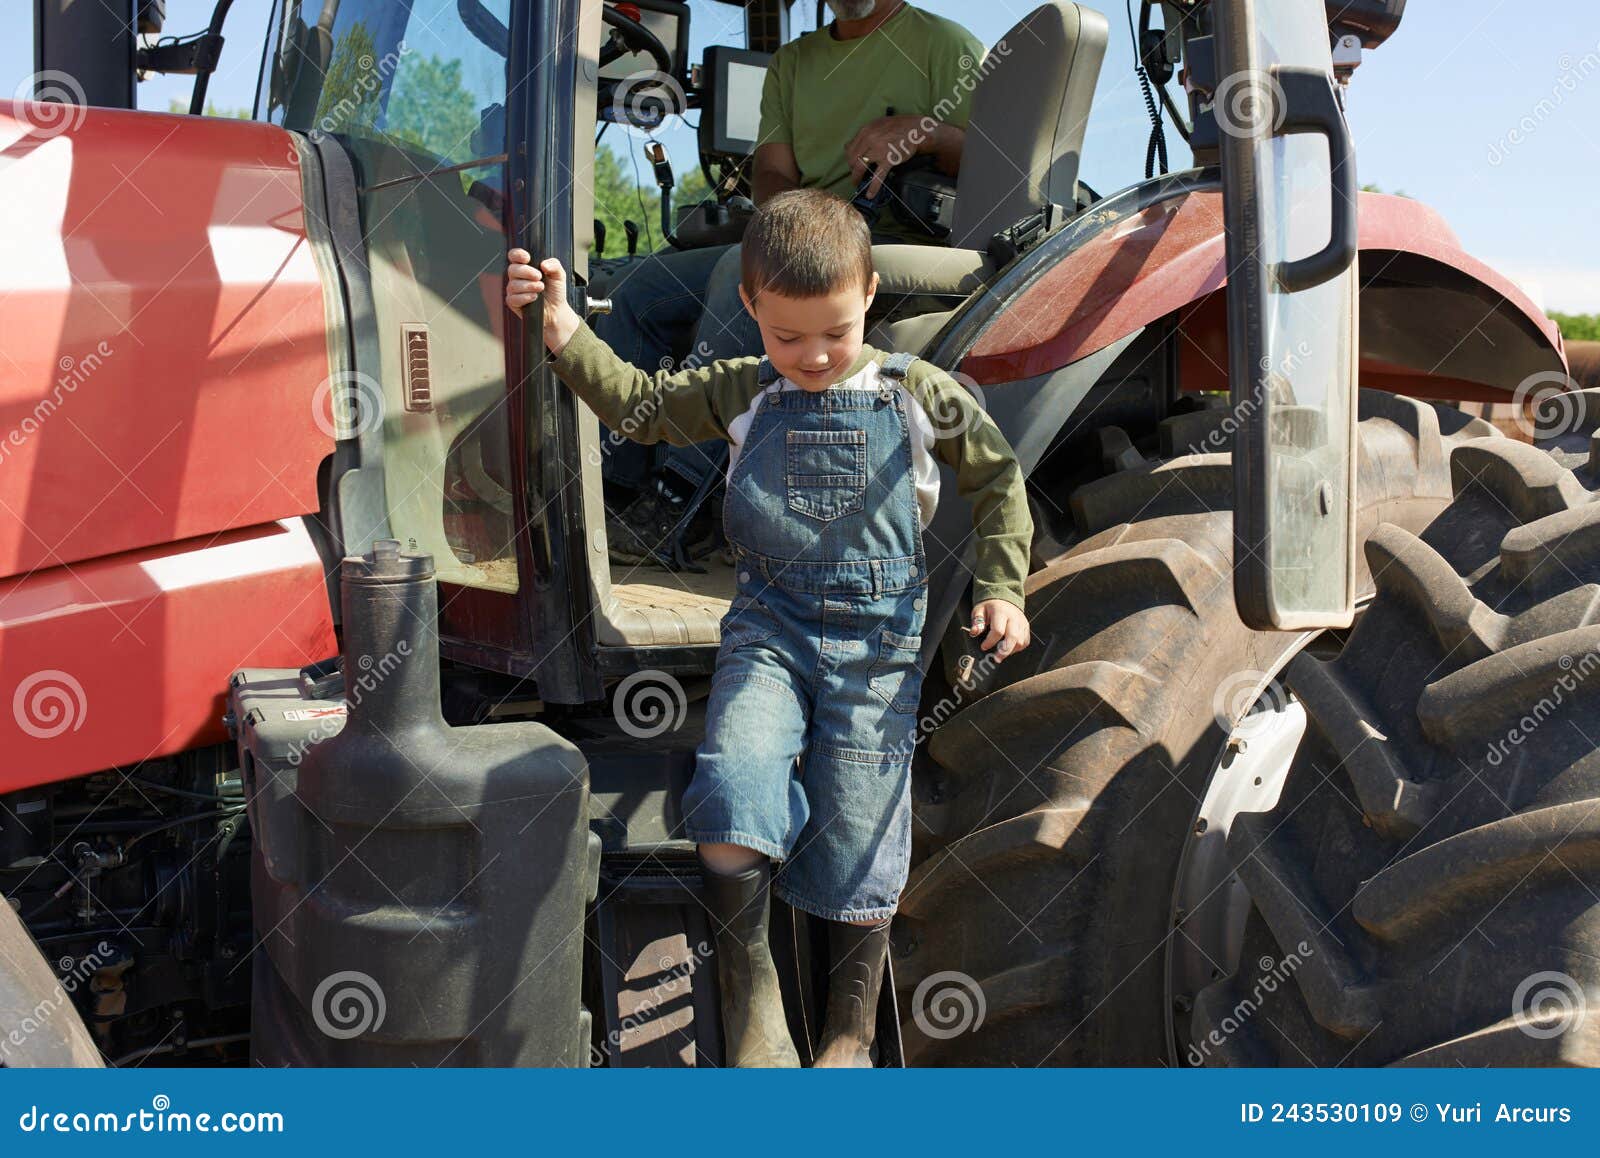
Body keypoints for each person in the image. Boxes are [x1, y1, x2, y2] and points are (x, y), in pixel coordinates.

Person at [506, 189, 1032, 1067]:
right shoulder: (744, 390)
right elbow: (639, 404)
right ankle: (753, 1001)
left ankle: (850, 1035)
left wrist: (1004, 586)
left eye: (833, 331)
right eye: (787, 338)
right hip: (769, 631)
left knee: (860, 829)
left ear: (868, 293)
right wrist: (560, 326)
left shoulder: (917, 392)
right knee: (734, 788)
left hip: (878, 649)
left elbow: (1000, 479)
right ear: (750, 308)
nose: (815, 357)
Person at [591, 0, 987, 565]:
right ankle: (618, 491)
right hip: (808, 227)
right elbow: (772, 170)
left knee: (741, 276)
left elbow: (1000, 160)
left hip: (894, 235)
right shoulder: (793, 63)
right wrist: (794, 222)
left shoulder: (944, 44)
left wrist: (925, 132)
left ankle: (680, 501)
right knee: (638, 290)